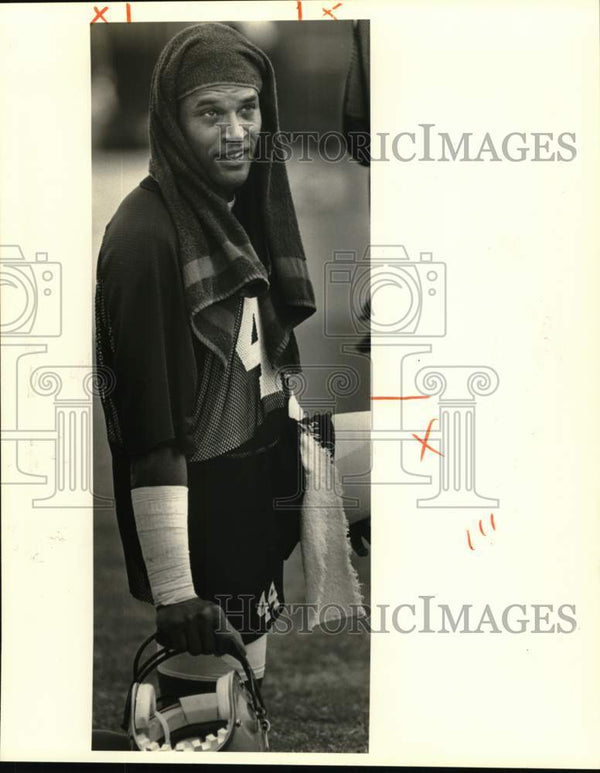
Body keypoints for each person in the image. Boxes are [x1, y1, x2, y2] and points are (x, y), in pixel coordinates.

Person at [95, 22, 320, 699]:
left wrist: (331, 476)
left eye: (247, 108)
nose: (236, 131)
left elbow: (256, 369)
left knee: (249, 710)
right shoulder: (146, 238)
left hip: (252, 497)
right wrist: (175, 589)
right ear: (170, 120)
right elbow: (153, 430)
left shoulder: (231, 209)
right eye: (209, 112)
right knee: (201, 724)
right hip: (204, 519)